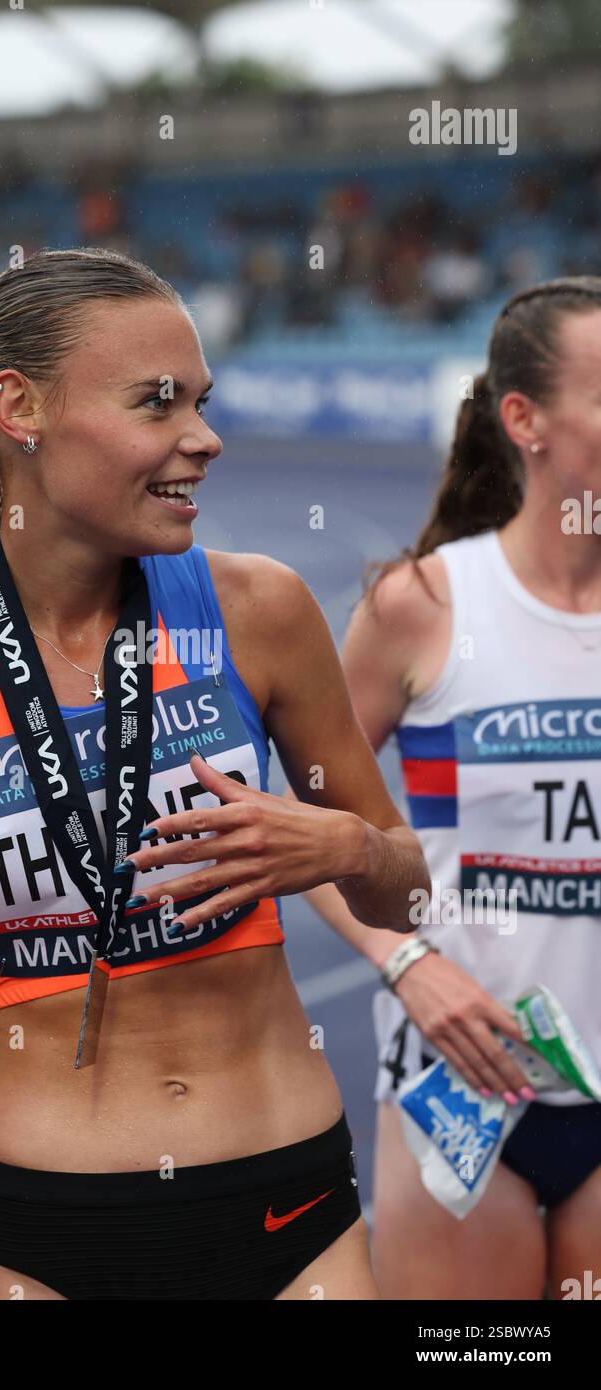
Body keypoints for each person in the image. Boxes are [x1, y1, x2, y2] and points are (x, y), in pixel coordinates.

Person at [0, 247, 428, 1302]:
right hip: (48, 1239)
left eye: (200, 400)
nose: (204, 437)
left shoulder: (258, 611)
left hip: (291, 1215)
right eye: (156, 403)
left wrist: (349, 847)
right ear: (20, 407)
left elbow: (408, 888)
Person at [294, 277, 601, 1300]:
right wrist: (405, 959)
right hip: (460, 1099)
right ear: (525, 420)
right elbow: (307, 824)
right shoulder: (422, 605)